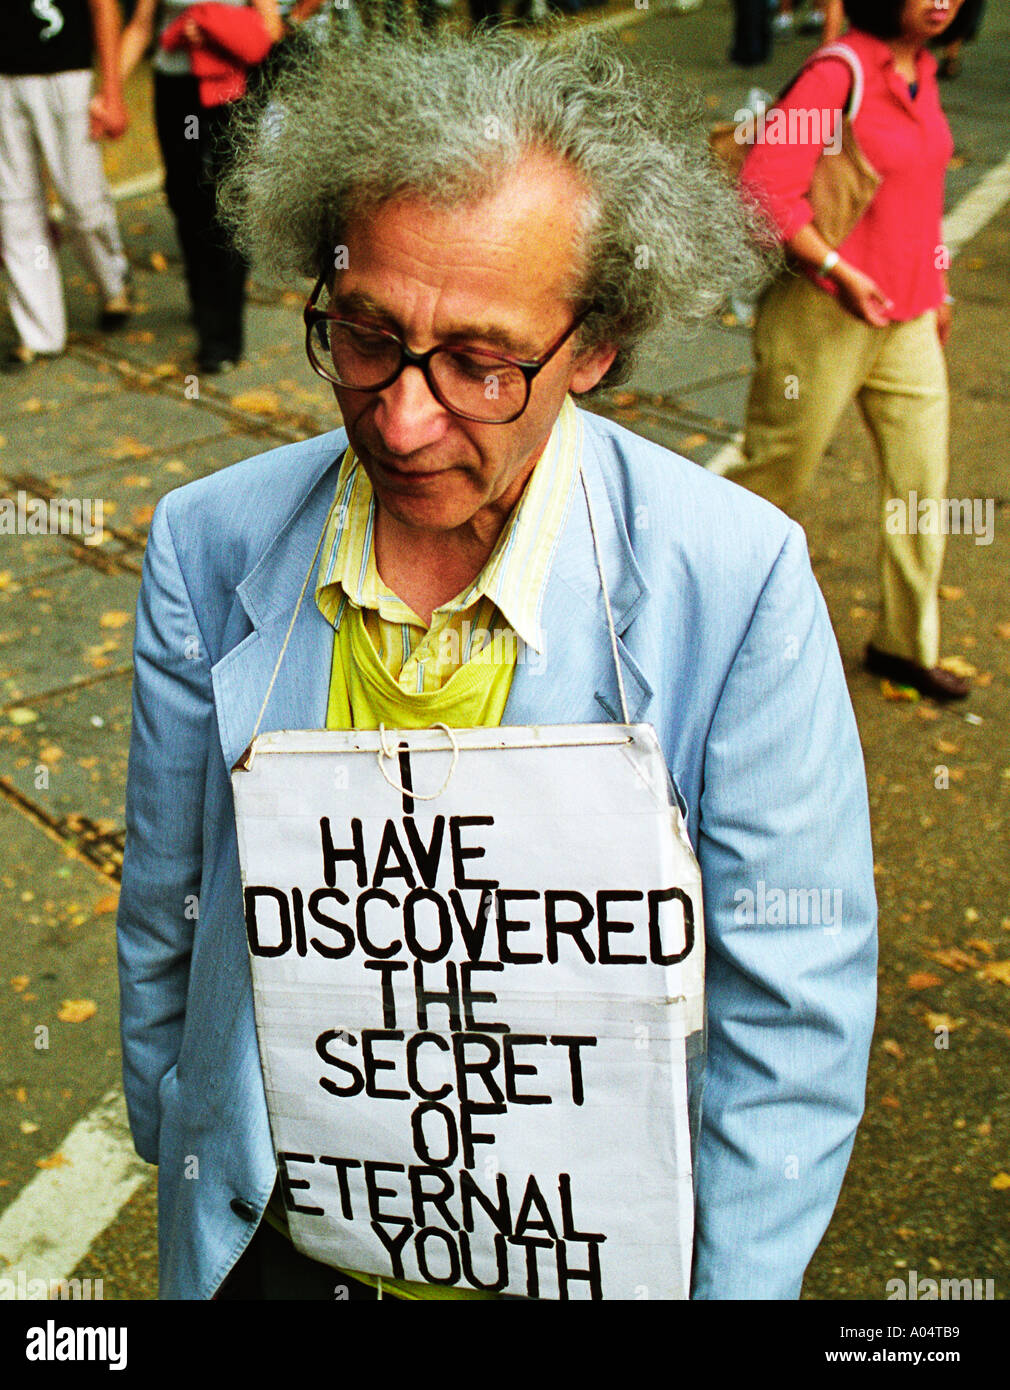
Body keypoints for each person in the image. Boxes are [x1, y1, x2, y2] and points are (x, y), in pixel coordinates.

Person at [117, 27, 877, 1300]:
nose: (404, 420)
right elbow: (169, 891)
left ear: (595, 348)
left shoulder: (732, 580)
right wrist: (185, 1132)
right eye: (363, 337)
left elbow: (791, 1002)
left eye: (481, 365)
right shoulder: (210, 541)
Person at [725, 0, 971, 701]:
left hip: (909, 317)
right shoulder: (839, 71)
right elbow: (764, 189)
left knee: (923, 486)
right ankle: (702, 619)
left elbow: (921, 196)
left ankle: (904, 645)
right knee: (775, 481)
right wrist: (835, 270)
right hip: (823, 311)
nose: (941, 1)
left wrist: (941, 286)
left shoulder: (921, 70)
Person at [118, 0, 282, 374]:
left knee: (224, 205)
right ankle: (203, 296)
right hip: (174, 89)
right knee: (183, 194)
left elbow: (270, 26)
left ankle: (222, 335)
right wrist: (109, 91)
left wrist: (216, 26)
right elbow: (142, 27)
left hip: (231, 86)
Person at [0, 0, 131, 371]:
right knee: (15, 206)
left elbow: (103, 6)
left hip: (68, 72)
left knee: (82, 203)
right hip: (1, 77)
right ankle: (39, 333)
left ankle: (113, 280)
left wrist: (112, 88)